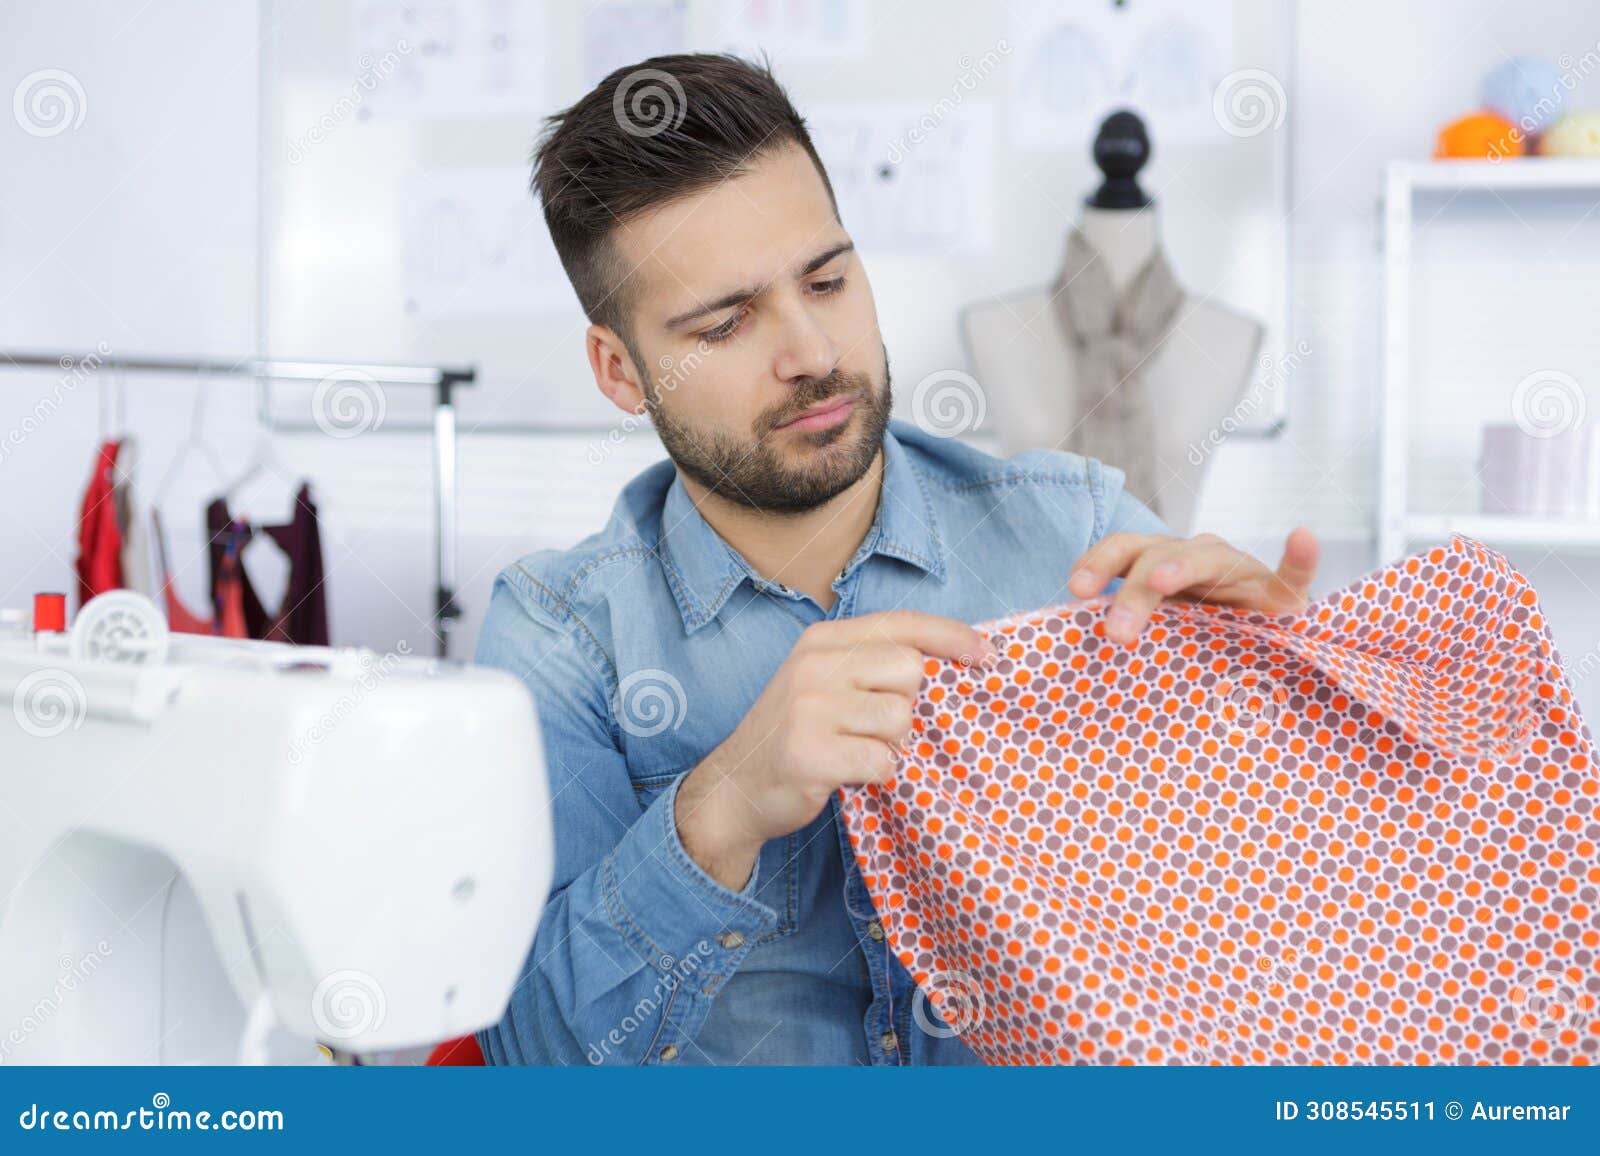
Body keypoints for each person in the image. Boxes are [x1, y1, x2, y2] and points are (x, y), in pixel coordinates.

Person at [474, 52, 1319, 1065]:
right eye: (726, 323)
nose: (812, 352)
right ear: (620, 369)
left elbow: (1265, 940)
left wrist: (1284, 721)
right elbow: (528, 1062)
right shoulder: (561, 634)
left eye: (827, 280)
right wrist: (721, 806)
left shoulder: (1080, 536)